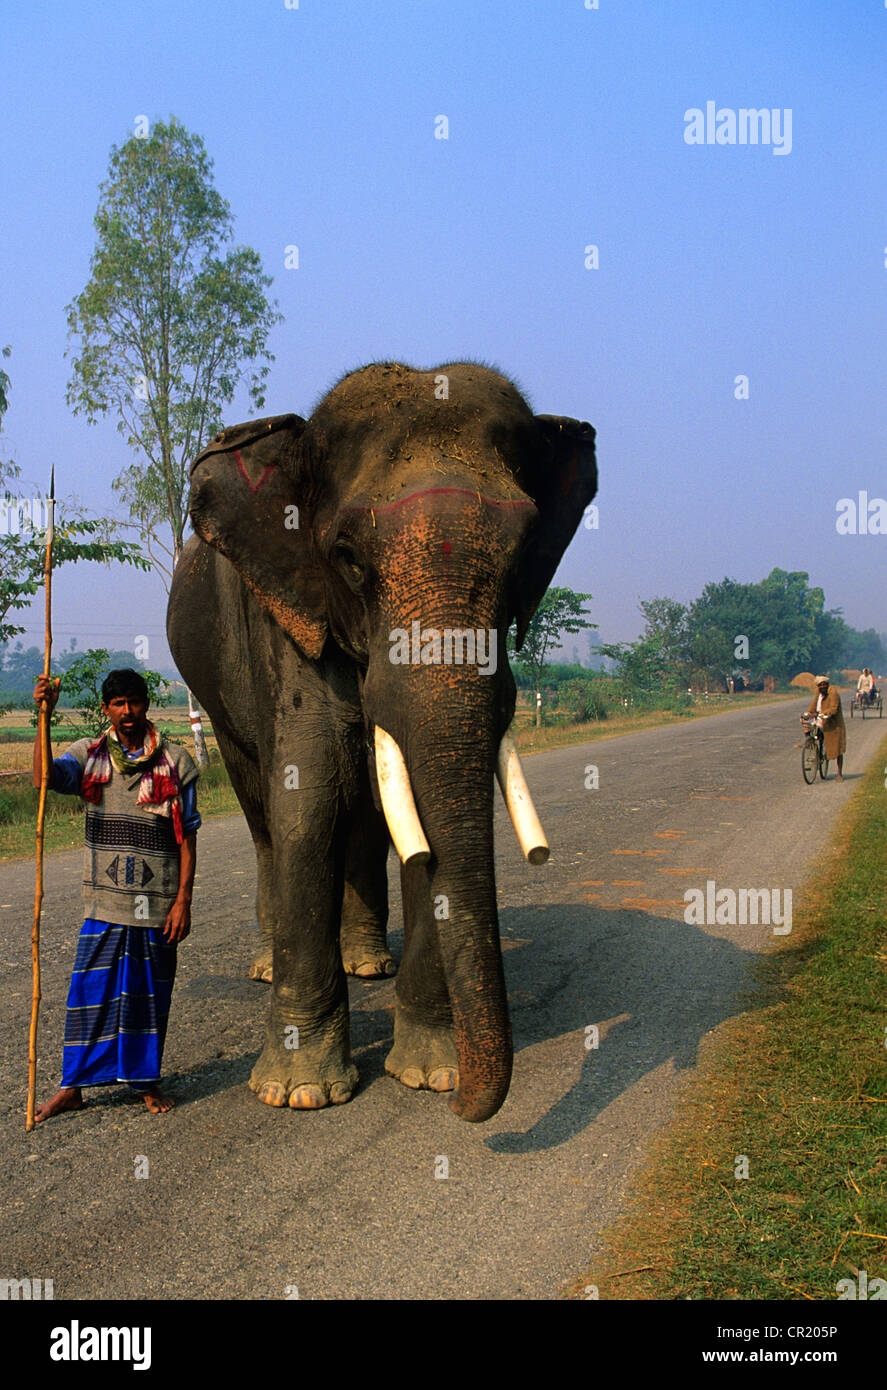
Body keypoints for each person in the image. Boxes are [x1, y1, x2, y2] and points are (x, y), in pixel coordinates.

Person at [31, 669, 200, 1120]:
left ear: (146, 704)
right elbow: (43, 779)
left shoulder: (177, 761)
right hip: (104, 900)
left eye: (135, 702)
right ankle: (75, 1085)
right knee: (90, 994)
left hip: (157, 904)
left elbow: (188, 838)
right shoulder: (88, 756)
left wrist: (183, 899)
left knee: (148, 999)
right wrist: (43, 715)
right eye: (118, 704)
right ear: (106, 709)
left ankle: (144, 1081)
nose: (127, 712)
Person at [802, 674, 846, 782]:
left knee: (837, 749)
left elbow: (834, 708)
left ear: (827, 684)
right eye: (820, 685)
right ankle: (810, 742)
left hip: (833, 723)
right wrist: (808, 713)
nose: (822, 687)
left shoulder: (833, 693)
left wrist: (822, 713)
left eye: (823, 684)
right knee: (806, 723)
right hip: (820, 720)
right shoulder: (819, 693)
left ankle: (839, 773)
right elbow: (813, 704)